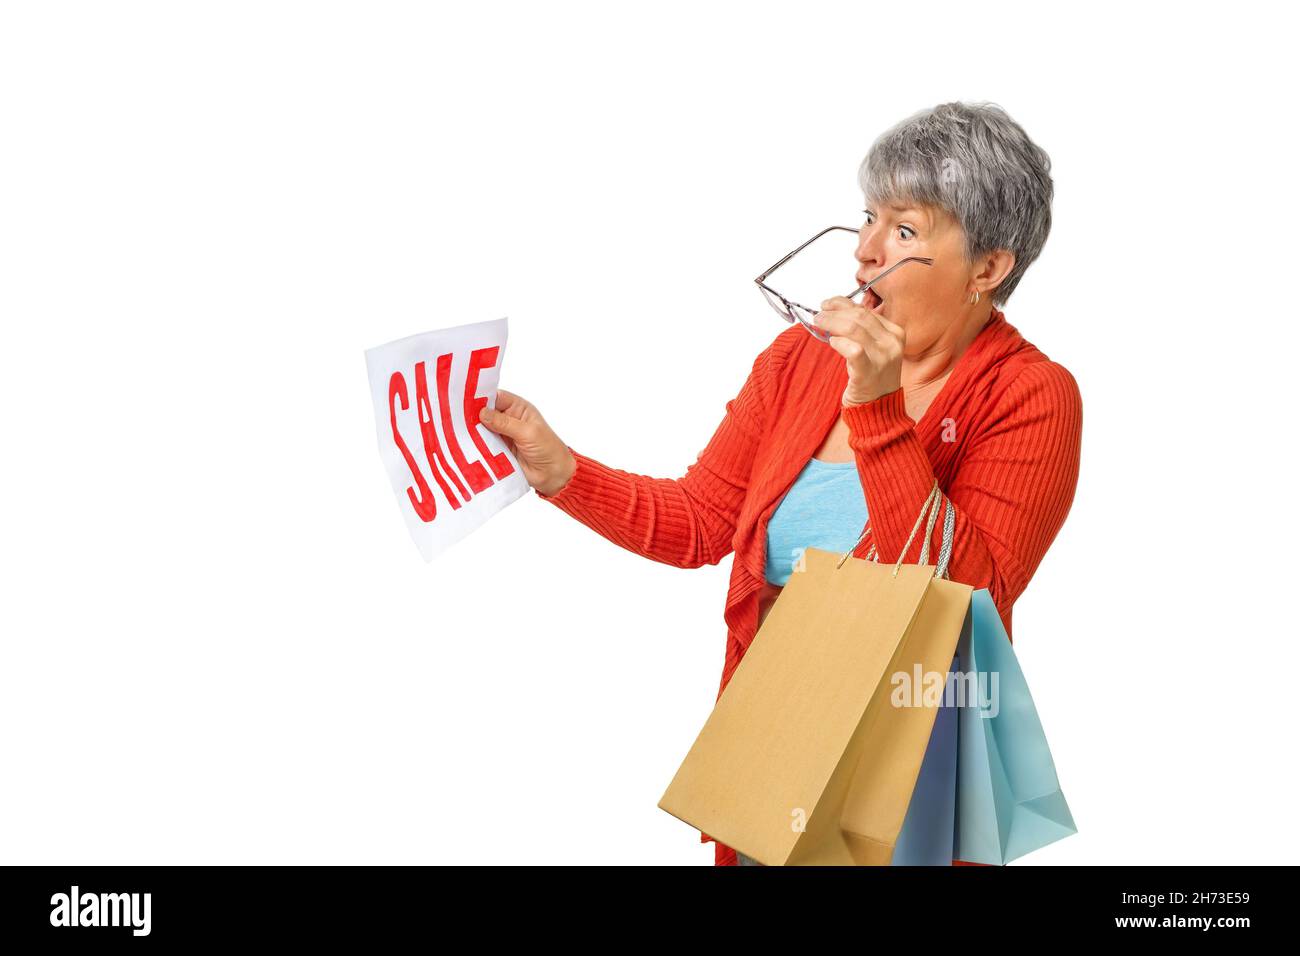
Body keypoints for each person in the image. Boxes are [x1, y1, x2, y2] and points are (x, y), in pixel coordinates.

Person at [478, 101, 1082, 866]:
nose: (863, 252)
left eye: (904, 230)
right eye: (867, 217)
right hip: (775, 746)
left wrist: (878, 413)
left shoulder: (1031, 395)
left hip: (915, 768)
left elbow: (971, 598)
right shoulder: (797, 363)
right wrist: (563, 472)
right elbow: (702, 521)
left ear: (989, 269)